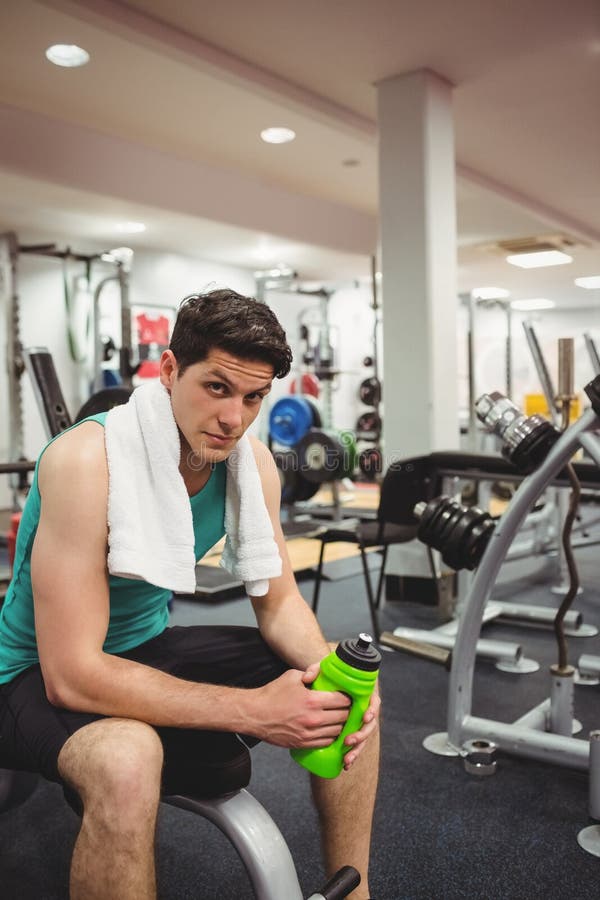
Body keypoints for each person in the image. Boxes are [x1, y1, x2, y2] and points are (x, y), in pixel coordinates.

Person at [0, 288, 380, 900]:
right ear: (170, 370)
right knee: (126, 759)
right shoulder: (84, 461)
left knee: (346, 684)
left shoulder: (250, 464)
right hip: (28, 671)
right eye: (217, 388)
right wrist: (257, 710)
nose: (235, 418)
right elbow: (69, 676)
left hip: (145, 646)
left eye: (254, 398)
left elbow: (280, 602)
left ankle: (356, 893)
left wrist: (332, 676)